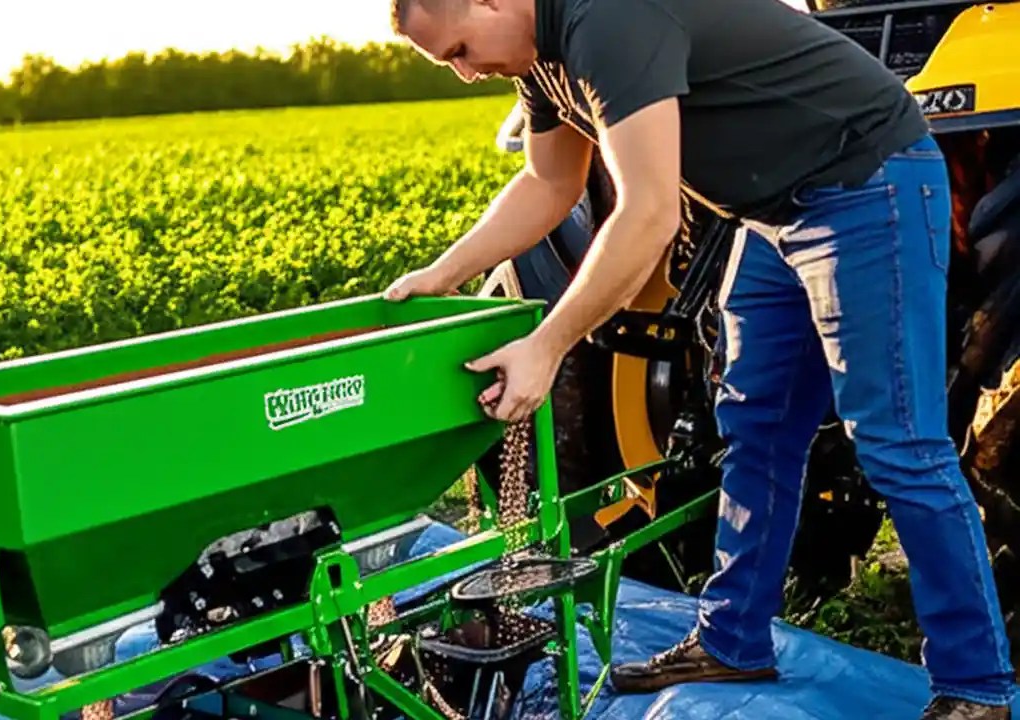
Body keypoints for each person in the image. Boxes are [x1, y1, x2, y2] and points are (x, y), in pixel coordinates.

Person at [382, 0, 1016, 717]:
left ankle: (976, 688)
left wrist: (547, 347)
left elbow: (650, 213)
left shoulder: (607, 21)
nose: (466, 73)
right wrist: (439, 274)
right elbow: (549, 184)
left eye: (460, 49)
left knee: (898, 442)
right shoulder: (541, 64)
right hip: (773, 211)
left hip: (865, 181)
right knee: (756, 426)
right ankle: (733, 641)